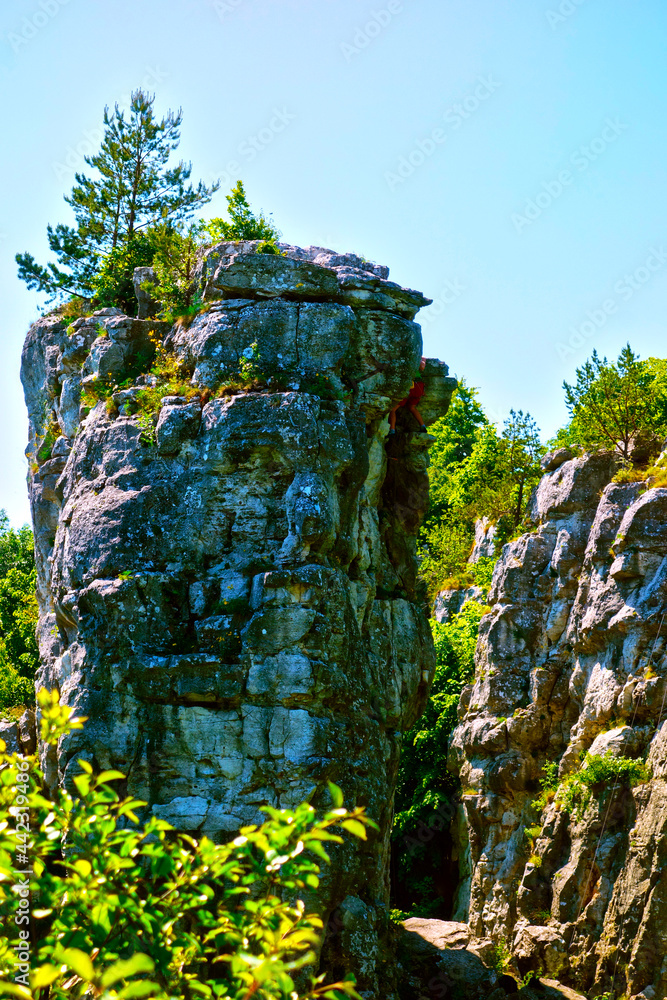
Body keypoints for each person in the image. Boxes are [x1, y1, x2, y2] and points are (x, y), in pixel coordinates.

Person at [388, 357, 427, 434]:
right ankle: (423, 426)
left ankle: (392, 430)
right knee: (412, 407)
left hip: (410, 387)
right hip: (419, 387)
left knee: (393, 409)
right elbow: (422, 367)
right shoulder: (417, 358)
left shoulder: (406, 356)